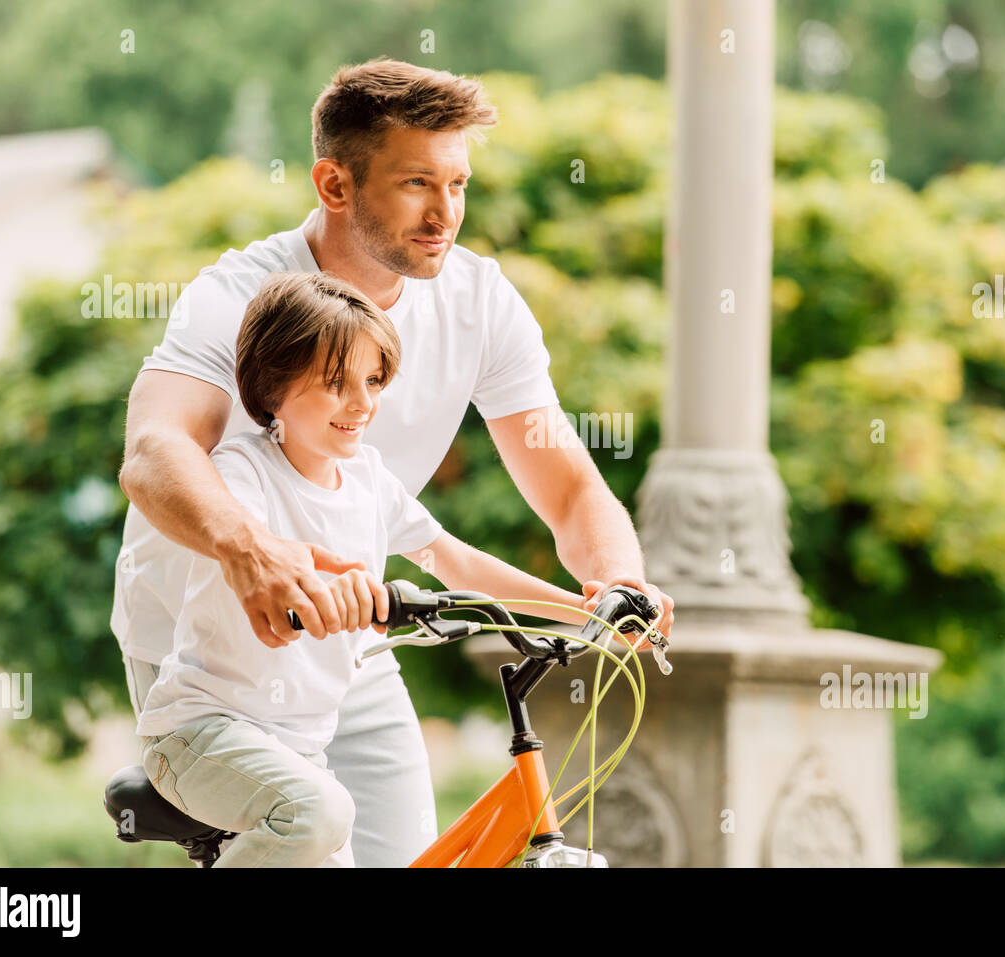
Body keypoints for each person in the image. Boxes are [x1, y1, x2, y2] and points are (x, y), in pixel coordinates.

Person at [113, 56, 674, 867]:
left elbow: (566, 484)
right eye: (417, 183)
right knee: (311, 838)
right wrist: (253, 550)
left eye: (459, 184)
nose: (445, 212)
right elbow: (155, 452)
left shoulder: (479, 302)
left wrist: (613, 588)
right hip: (208, 648)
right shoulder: (238, 295)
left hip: (354, 637)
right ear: (335, 185)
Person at [137, 271, 593, 867]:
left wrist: (580, 611)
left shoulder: (369, 481)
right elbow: (268, 556)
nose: (363, 403)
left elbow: (455, 561)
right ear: (273, 387)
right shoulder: (242, 472)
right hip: (201, 734)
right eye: (335, 383)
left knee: (325, 813)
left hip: (303, 752)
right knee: (322, 813)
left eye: (374, 380)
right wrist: (325, 588)